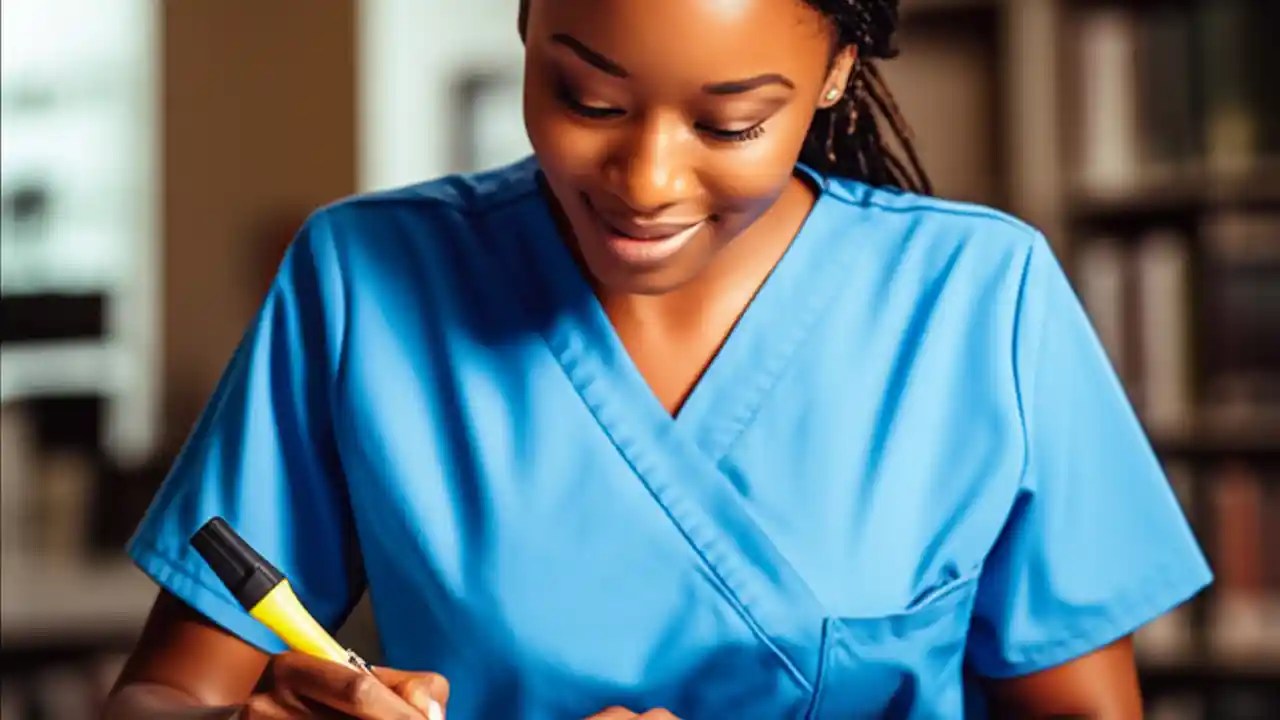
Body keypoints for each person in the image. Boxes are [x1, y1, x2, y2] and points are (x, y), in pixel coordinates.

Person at [105, 0, 1212, 718]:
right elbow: (162, 695)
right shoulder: (366, 279)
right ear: (526, 26)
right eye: (586, 99)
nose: (642, 182)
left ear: (831, 72)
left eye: (727, 126)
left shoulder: (978, 300)